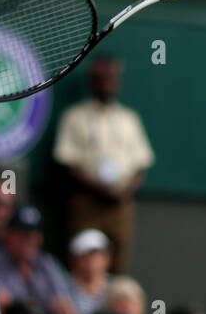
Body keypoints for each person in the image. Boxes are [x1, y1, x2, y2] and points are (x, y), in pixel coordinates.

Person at [52, 56, 155, 273]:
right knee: (83, 264)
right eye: (101, 78)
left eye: (111, 78)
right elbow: (67, 162)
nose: (106, 83)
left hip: (120, 204)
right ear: (92, 81)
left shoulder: (129, 118)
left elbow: (141, 164)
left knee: (118, 265)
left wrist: (124, 191)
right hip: (86, 202)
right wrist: (98, 188)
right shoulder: (74, 116)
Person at [66, 228, 112, 314]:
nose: (91, 261)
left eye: (96, 255)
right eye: (85, 256)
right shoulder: (60, 285)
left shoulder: (116, 287)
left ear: (107, 259)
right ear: (74, 260)